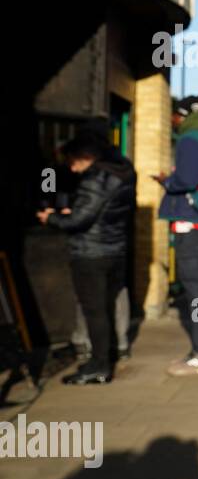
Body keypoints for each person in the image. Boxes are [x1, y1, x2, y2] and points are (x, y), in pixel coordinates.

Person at [39, 135, 136, 385]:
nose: (72, 168)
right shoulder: (124, 171)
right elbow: (103, 211)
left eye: (73, 162)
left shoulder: (96, 178)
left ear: (85, 156)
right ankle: (113, 352)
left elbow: (79, 221)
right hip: (115, 249)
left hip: (91, 253)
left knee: (95, 312)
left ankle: (99, 365)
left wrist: (50, 218)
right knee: (108, 305)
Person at [157, 95, 198, 377]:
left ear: (182, 116)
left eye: (174, 115)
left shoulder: (190, 139)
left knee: (195, 290)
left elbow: (186, 179)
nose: (172, 120)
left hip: (190, 224)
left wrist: (167, 181)